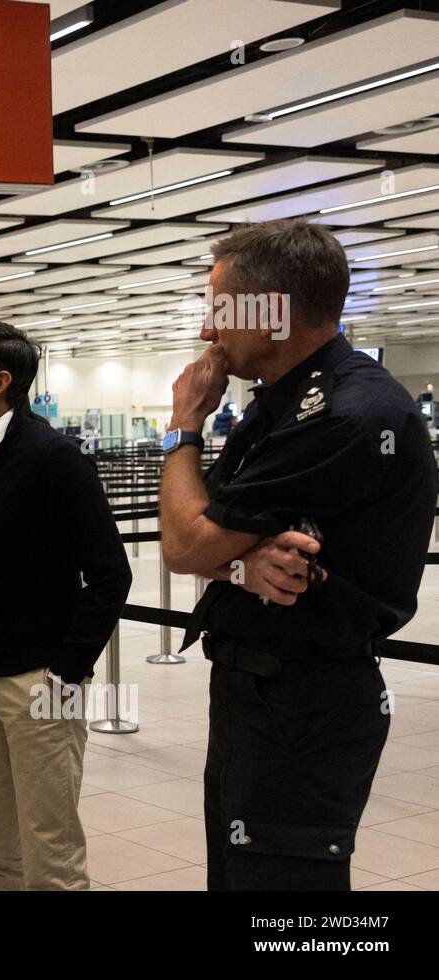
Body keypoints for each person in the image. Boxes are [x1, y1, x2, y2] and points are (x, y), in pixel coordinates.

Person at [160, 219, 437, 891]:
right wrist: (238, 560)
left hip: (306, 698)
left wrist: (183, 426)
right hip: (253, 689)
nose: (207, 331)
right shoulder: (279, 404)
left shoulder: (344, 413)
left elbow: (184, 542)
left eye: (218, 309)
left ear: (272, 313)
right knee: (240, 878)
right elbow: (213, 535)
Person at [0, 319, 131, 890]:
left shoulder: (53, 458)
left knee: (50, 847)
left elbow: (110, 576)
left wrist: (66, 672)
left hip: (38, 684)